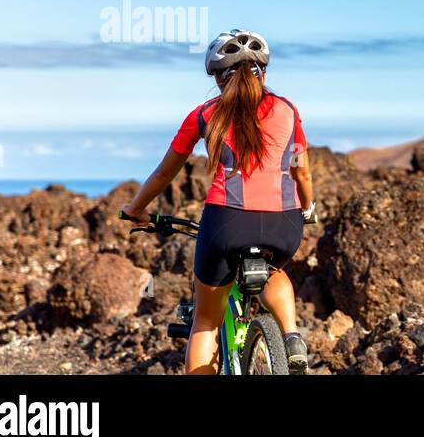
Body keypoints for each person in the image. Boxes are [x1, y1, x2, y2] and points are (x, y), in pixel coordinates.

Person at [121, 29, 315, 375]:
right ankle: (291, 334)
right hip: (284, 223)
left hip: (226, 223)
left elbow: (165, 174)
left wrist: (136, 210)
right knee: (274, 271)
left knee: (206, 323)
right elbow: (302, 174)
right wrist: (309, 208)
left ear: (216, 76)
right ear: (264, 72)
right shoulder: (288, 110)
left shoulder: (204, 114)